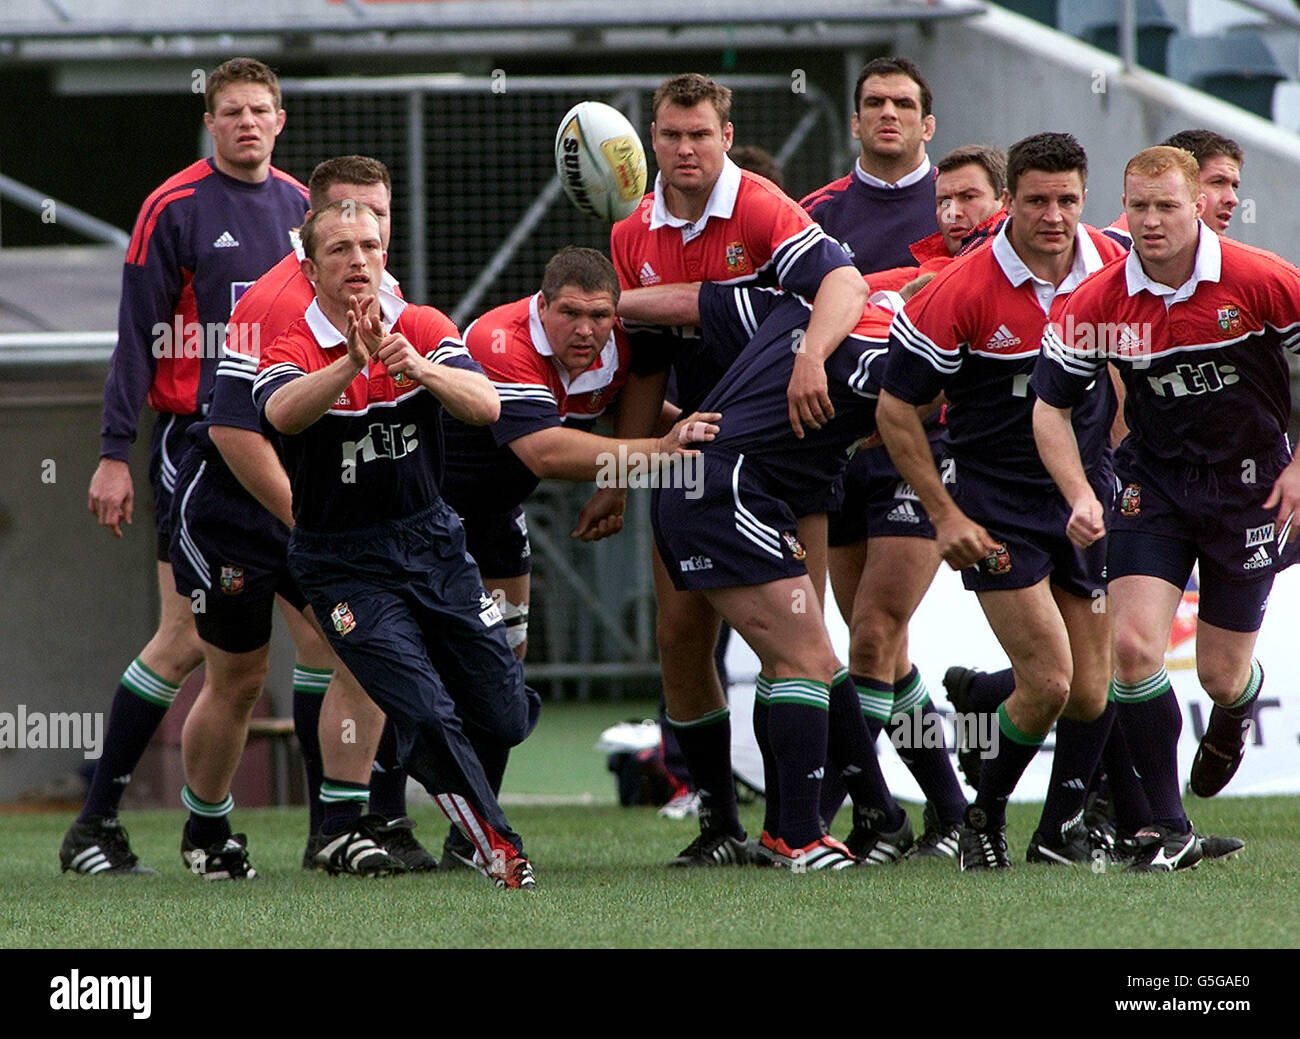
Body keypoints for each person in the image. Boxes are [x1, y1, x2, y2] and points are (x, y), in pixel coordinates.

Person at [606, 72, 866, 866]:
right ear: (651, 139)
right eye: (671, 135)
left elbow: (843, 283)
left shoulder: (756, 204)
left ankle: (828, 813)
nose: (686, 149)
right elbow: (646, 370)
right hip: (694, 455)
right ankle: (718, 819)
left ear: (725, 136)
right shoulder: (631, 234)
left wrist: (811, 358)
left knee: (800, 637)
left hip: (789, 439)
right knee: (681, 637)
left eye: (701, 135)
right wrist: (622, 471)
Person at [63, 57, 310, 875]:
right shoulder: (171, 207)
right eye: (231, 110)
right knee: (183, 639)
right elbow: (135, 339)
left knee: (328, 635)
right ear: (212, 122)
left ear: (280, 120)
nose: (246, 122)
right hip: (198, 447)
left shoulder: (305, 207)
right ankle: (98, 820)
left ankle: (345, 824)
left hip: (289, 441)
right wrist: (112, 455)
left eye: (260, 109)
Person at [253, 200, 541, 889]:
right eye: (340, 249)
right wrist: (349, 367)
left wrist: (421, 368)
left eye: (370, 246)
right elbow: (280, 413)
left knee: (503, 710)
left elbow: (487, 406)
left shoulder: (422, 325)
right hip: (342, 560)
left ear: (387, 256)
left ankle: (450, 799)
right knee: (422, 706)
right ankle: (497, 846)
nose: (358, 260)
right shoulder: (291, 342)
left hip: (432, 543)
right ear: (310, 265)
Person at [1032, 145, 1300, 872]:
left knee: (1218, 673)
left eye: (1167, 207)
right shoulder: (1099, 302)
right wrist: (1081, 493)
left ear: (1197, 209)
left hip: (1252, 489)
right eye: (1139, 207)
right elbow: (1049, 410)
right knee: (1132, 650)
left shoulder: (1261, 279)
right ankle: (1167, 828)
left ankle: (1239, 704)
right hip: (1152, 485)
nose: (1151, 222)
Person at [169, 156, 436, 878]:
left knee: (360, 647)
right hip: (235, 508)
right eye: (345, 227)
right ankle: (206, 830)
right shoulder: (270, 301)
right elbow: (231, 429)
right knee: (240, 678)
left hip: (315, 509)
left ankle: (340, 827)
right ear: (311, 232)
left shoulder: (388, 295)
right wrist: (306, 516)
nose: (362, 240)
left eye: (375, 223)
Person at [876, 132, 1127, 871]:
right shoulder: (963, 290)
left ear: (1086, 199)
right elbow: (896, 410)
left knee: (1090, 689)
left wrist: (1114, 465)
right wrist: (946, 514)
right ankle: (981, 818)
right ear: (1009, 201)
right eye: (1037, 200)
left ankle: (1058, 831)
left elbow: (1129, 367)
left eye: (1068, 200)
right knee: (1048, 680)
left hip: (1081, 497)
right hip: (995, 504)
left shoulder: (1114, 266)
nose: (1053, 216)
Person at [436, 246, 719, 867]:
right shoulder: (498, 339)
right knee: (421, 674)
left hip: (499, 522)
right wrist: (662, 452)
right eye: (570, 313)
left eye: (600, 314)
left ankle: (471, 833)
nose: (586, 329)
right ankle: (375, 822)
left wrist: (711, 436)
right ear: (542, 306)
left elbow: (632, 407)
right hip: (434, 521)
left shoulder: (621, 346)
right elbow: (545, 454)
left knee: (503, 673)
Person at [621, 277, 901, 868]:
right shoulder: (890, 354)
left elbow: (687, 303)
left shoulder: (789, 303)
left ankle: (853, 818)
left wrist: (608, 301)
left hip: (726, 489)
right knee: (807, 659)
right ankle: (795, 837)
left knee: (804, 657)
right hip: (721, 493)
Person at [802, 59, 980, 860]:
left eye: (904, 103)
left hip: (924, 448)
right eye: (873, 102)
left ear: (927, 124)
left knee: (870, 637)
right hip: (840, 454)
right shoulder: (816, 215)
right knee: (886, 649)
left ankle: (832, 818)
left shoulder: (965, 207)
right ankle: (949, 811)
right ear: (853, 119)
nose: (888, 114)